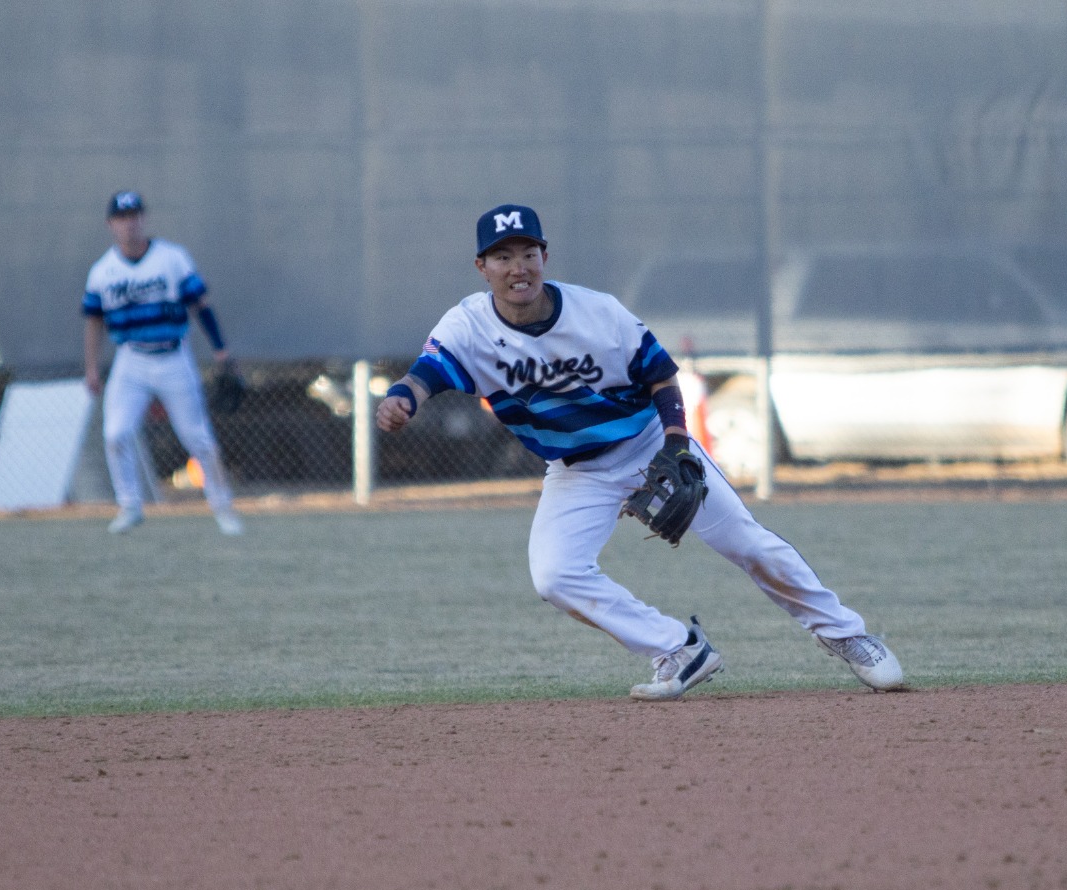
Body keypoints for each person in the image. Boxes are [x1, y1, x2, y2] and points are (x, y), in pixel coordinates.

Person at [376, 203, 903, 700]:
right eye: (502, 256)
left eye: (528, 253)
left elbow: (661, 376)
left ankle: (845, 634)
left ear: (545, 257)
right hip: (577, 472)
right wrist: (402, 398)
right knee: (555, 575)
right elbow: (427, 373)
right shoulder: (468, 326)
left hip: (649, 442)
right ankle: (678, 649)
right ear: (482, 267)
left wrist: (676, 444)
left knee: (747, 542)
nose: (518, 267)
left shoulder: (597, 312)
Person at [82, 190, 243, 536]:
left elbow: (201, 304)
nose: (129, 224)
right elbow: (94, 320)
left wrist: (221, 350)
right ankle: (130, 505)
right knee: (116, 434)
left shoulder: (171, 258)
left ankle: (223, 508)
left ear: (143, 219)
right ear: (111, 224)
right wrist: (92, 367)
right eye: (122, 218)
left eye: (134, 216)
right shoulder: (103, 272)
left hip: (173, 357)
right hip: (131, 359)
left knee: (198, 439)